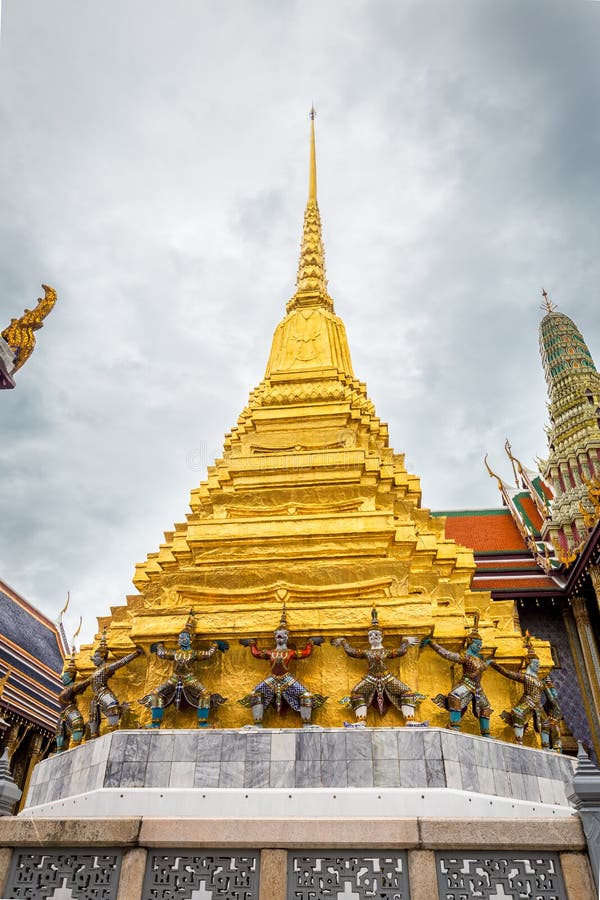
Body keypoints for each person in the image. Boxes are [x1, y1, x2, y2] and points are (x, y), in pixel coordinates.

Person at [331, 608, 424, 724]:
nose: (373, 637)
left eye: (376, 634)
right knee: (356, 692)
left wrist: (405, 641)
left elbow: (401, 651)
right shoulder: (366, 652)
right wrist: (344, 642)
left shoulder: (386, 652)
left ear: (381, 636)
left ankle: (410, 720)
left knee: (407, 692)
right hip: (370, 678)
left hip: (387, 677)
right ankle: (361, 721)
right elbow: (351, 652)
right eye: (370, 635)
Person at [239, 606, 326, 726]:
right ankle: (257, 725)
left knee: (306, 695)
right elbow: (256, 653)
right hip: (273, 679)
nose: (279, 636)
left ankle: (307, 724)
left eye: (282, 634)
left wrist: (310, 643)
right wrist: (252, 644)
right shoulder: (270, 653)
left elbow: (305, 653)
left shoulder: (290, 652)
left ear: (287, 636)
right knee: (255, 694)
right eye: (277, 635)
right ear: (275, 637)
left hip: (287, 678)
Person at [139, 612, 228, 728]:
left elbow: (207, 654)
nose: (182, 640)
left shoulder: (194, 653)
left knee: (205, 694)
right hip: (174, 679)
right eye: (180, 638)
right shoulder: (175, 653)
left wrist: (216, 646)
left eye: (185, 638)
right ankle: (155, 723)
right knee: (156, 694)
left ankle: (203, 722)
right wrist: (158, 646)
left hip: (189, 679)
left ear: (190, 640)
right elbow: (162, 654)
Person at [421, 620, 493, 736]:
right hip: (467, 684)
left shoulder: (480, 660)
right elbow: (447, 654)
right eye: (477, 644)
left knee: (486, 706)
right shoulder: (465, 657)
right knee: (454, 696)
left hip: (478, 687)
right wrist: (432, 644)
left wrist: (489, 663)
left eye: (480, 644)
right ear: (470, 643)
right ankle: (455, 725)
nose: (479, 647)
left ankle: (486, 733)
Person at [492, 634, 562, 750]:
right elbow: (509, 674)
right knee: (517, 713)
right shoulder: (526, 677)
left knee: (546, 723)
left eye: (538, 663)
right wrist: (495, 665)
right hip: (528, 701)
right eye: (535, 663)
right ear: (529, 663)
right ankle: (519, 742)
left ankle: (545, 747)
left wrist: (553, 701)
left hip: (538, 704)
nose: (538, 665)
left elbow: (551, 696)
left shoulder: (540, 680)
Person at [88, 629, 143, 737]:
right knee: (93, 716)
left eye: (96, 656)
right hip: (96, 696)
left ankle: (114, 728)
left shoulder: (106, 668)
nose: (93, 659)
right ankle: (94, 735)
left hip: (104, 693)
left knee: (112, 706)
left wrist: (135, 653)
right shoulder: (95, 671)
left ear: (102, 657)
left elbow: (121, 662)